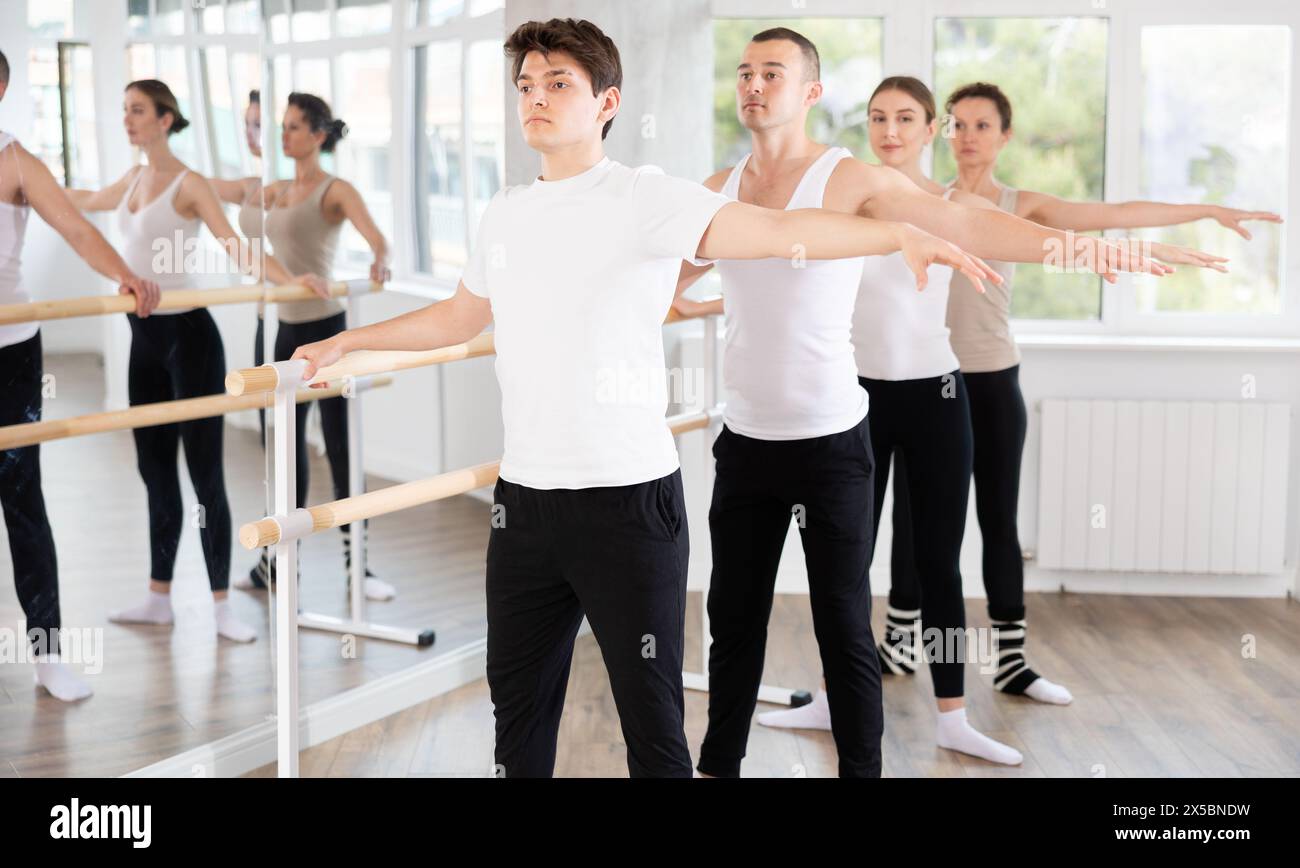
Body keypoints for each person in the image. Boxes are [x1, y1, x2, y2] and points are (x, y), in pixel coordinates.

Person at [289, 18, 1001, 778]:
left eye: (558, 83)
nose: (535, 97)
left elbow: (775, 230)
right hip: (525, 507)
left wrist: (893, 236)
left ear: (606, 102)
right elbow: (461, 317)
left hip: (628, 506)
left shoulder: (646, 197)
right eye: (526, 85)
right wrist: (348, 343)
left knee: (653, 731)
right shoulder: (506, 212)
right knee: (517, 720)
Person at [676, 44, 1172, 770]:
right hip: (745, 441)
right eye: (745, 73)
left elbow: (965, 225)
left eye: (771, 74)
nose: (753, 85)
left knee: (844, 625)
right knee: (733, 621)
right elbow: (668, 261)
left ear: (811, 90)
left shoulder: (847, 178)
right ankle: (718, 766)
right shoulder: (720, 187)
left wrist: (1082, 252)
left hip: (830, 444)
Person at [879, 80, 1280, 704]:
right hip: (924, 382)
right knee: (915, 521)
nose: (967, 137)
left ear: (1005, 136)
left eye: (982, 126)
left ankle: (1010, 662)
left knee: (997, 519)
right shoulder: (919, 200)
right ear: (941, 132)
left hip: (990, 378)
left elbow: (1112, 217)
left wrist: (1202, 211)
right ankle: (901, 644)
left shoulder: (1017, 204)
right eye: (957, 124)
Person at [67, 79, 326, 642]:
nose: (127, 120)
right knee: (154, 470)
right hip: (144, 338)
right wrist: (22, 187)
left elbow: (236, 246)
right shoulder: (134, 178)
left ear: (165, 119)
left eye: (137, 111)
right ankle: (159, 596)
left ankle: (220, 605)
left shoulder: (190, 184)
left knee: (205, 474)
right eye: (124, 110)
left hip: (190, 338)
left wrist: (290, 279)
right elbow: (81, 202)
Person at [0, 48, 161, 700]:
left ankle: (48, 657)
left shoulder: (16, 160)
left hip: (10, 351)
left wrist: (124, 275)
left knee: (22, 502)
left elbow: (75, 230)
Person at [212, 92, 394, 600]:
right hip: (282, 331)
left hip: (328, 332)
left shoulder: (335, 190)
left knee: (339, 447)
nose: (285, 135)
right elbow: (213, 193)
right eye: (282, 127)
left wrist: (380, 261)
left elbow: (379, 239)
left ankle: (357, 566)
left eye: (294, 127)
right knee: (283, 449)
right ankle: (277, 563)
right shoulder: (270, 188)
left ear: (318, 135)